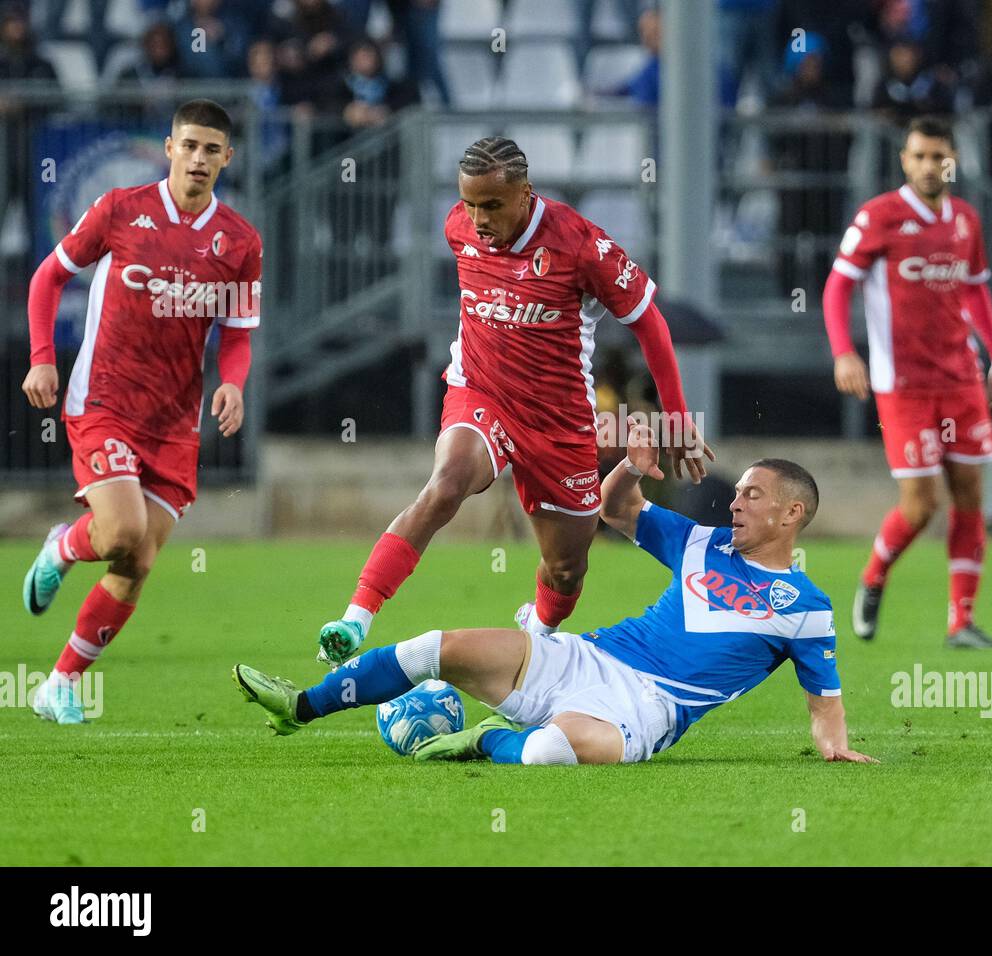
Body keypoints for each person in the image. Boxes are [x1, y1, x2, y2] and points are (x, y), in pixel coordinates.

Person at [235, 423, 876, 766]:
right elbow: (616, 509)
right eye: (737, 493)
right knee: (436, 647)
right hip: (588, 656)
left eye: (752, 496)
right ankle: (301, 706)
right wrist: (632, 466)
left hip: (648, 709)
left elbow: (824, 698)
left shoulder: (809, 608)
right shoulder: (699, 542)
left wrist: (834, 745)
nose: (734, 501)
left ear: (792, 514)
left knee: (553, 751)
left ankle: (485, 741)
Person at [313, 137, 712, 670]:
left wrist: (679, 417)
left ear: (525, 194)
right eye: (470, 203)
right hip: (480, 393)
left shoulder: (580, 245)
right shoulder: (458, 227)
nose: (477, 218)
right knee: (446, 483)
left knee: (566, 569)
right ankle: (355, 618)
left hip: (559, 421)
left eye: (492, 205)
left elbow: (650, 323)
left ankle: (539, 630)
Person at [20, 100, 260, 724]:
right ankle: (63, 548)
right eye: (190, 146)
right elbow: (48, 278)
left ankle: (60, 685)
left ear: (227, 158)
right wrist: (42, 358)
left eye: (212, 149)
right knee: (121, 532)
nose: (200, 159)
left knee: (138, 561)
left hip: (175, 422)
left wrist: (232, 384)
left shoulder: (239, 241)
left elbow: (236, 333)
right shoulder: (119, 210)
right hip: (104, 400)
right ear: (169, 148)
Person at [822, 116, 992, 649]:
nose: (930, 165)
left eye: (939, 156)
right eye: (920, 156)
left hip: (961, 378)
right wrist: (844, 353)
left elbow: (975, 291)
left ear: (954, 160)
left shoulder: (966, 221)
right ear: (905, 161)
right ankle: (873, 577)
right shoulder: (879, 216)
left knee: (970, 494)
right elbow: (837, 288)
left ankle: (961, 621)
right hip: (902, 384)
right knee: (920, 504)